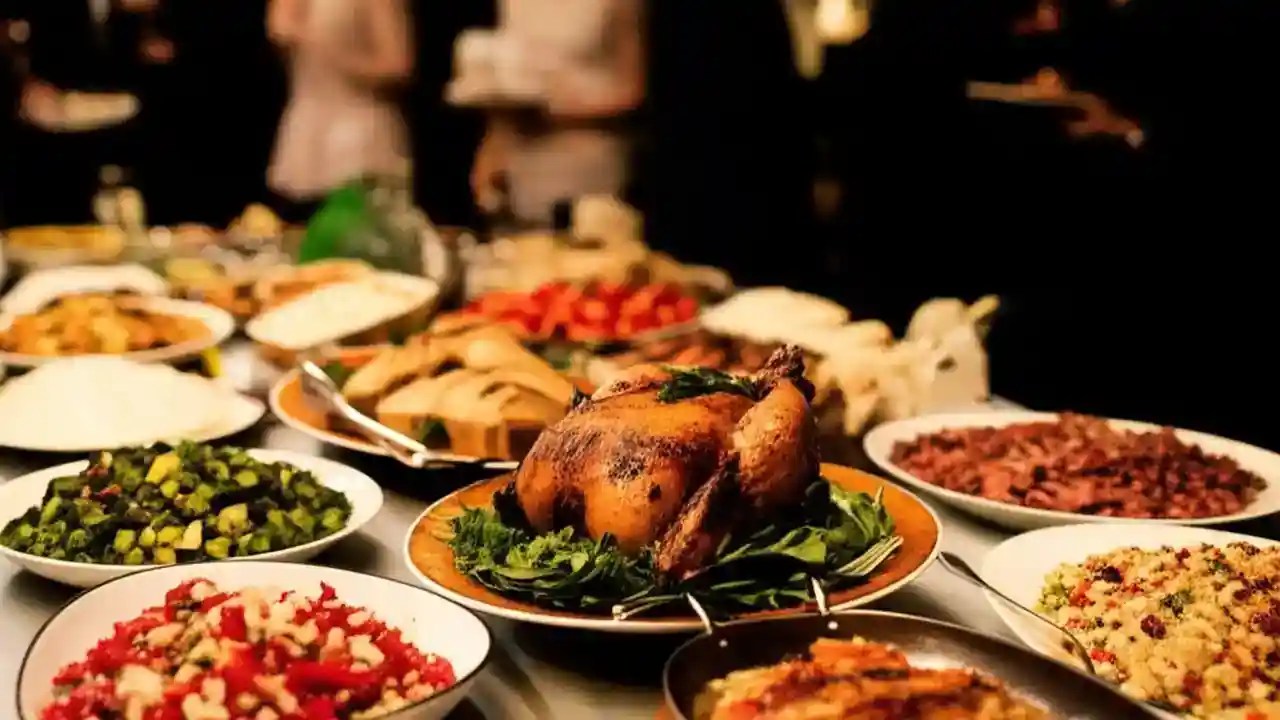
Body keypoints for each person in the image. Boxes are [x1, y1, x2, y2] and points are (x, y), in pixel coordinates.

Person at [468, 0, 645, 227]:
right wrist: (492, 148)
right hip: (523, 159)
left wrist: (558, 106)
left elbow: (632, 89)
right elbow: (504, 75)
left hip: (587, 158)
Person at [266, 0, 413, 223]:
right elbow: (282, 31)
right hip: (305, 130)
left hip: (359, 135)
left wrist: (337, 57)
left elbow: (396, 65)